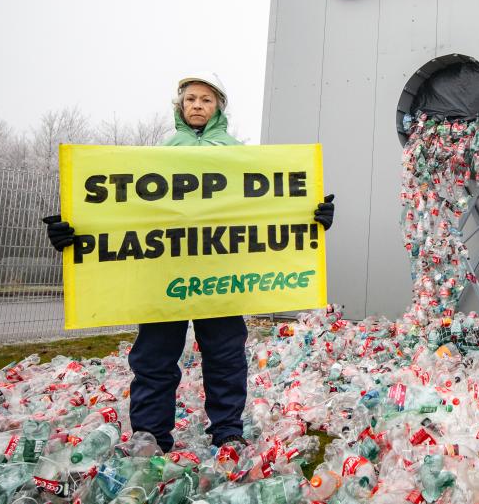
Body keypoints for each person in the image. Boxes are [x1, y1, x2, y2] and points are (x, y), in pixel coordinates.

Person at [43, 74, 335, 452]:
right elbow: (127, 213)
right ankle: (151, 435)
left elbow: (266, 207)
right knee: (153, 358)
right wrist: (74, 231)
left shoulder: (239, 156)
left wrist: (311, 216)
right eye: (191, 99)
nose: (197, 105)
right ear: (180, 107)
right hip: (165, 276)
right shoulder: (160, 155)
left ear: (219, 108)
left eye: (206, 100)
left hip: (223, 277)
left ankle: (227, 431)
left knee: (226, 356)